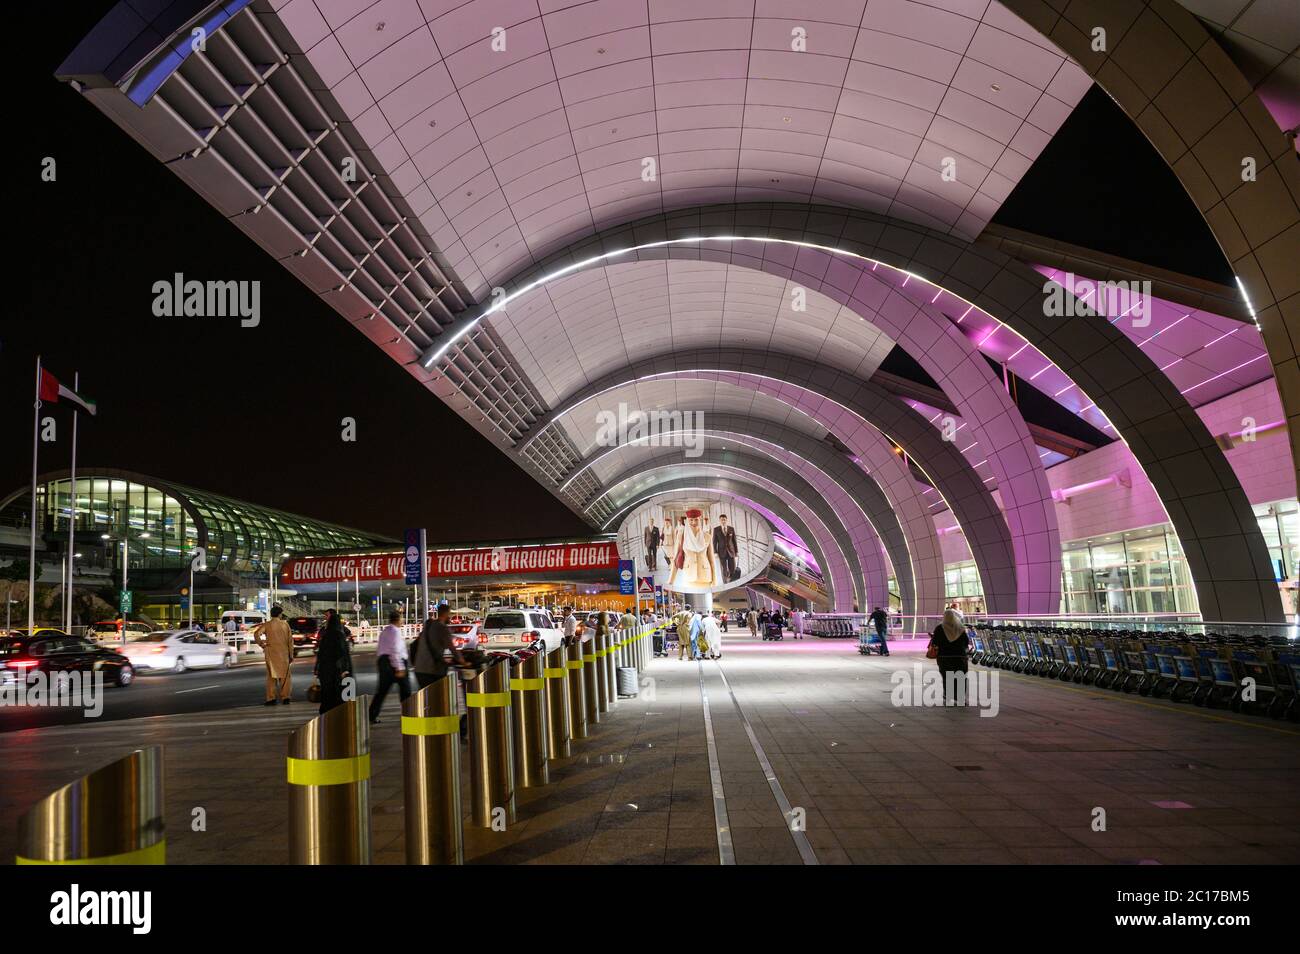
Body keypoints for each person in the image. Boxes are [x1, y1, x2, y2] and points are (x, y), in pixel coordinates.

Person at [368, 609, 411, 724]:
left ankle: (372, 715)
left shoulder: (385, 631)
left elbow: (381, 649)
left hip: (383, 662)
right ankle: (409, 714)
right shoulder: (395, 631)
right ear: (398, 619)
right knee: (406, 691)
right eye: (402, 618)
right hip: (394, 663)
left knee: (381, 692)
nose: (403, 620)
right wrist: (399, 667)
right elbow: (395, 650)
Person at [412, 603, 464, 689]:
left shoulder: (428, 626)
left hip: (419, 669)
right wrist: (463, 661)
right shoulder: (442, 628)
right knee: (439, 696)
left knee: (426, 698)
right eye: (449, 614)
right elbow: (452, 648)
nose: (450, 617)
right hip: (432, 670)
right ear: (445, 614)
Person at [314, 608, 353, 715]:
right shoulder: (339, 634)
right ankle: (339, 715)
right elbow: (342, 653)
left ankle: (324, 715)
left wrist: (317, 668)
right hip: (335, 670)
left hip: (324, 670)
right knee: (339, 693)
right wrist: (344, 669)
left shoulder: (326, 635)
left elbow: (320, 654)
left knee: (326, 694)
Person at [252, 605, 294, 705]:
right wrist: (291, 654)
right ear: (280, 614)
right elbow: (290, 641)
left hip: (271, 653)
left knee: (271, 677)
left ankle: (271, 698)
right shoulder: (285, 625)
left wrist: (262, 645)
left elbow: (256, 634)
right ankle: (286, 697)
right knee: (285, 677)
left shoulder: (267, 625)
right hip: (284, 654)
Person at [928, 608, 971, 705]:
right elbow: (966, 642)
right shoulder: (960, 628)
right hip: (959, 657)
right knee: (960, 676)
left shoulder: (939, 628)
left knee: (947, 677)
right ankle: (960, 698)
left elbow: (935, 642)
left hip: (944, 657)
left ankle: (948, 696)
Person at [712, 514, 738, 583]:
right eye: (721, 520)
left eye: (724, 520)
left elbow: (734, 541)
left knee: (732, 567)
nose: (723, 521)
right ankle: (725, 581)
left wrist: (736, 551)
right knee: (724, 568)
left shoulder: (731, 529)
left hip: (731, 551)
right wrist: (715, 552)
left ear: (726, 520)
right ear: (719, 521)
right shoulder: (716, 529)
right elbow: (714, 542)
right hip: (721, 551)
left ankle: (732, 580)